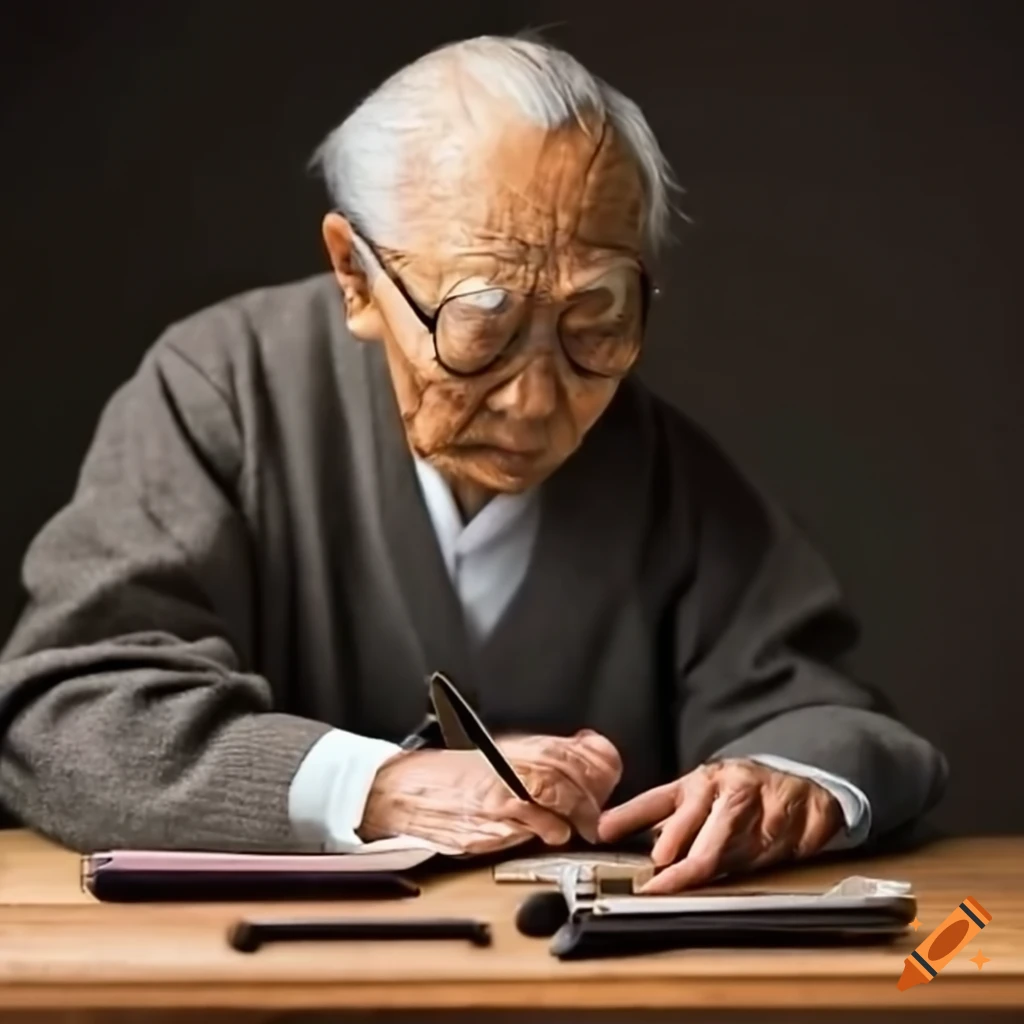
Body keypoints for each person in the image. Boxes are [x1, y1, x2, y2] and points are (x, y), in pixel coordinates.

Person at [0, 34, 945, 893]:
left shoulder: (659, 466)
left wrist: (783, 781)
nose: (536, 402)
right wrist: (378, 786)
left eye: (595, 322)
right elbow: (65, 713)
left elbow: (825, 719)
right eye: (480, 326)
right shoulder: (224, 387)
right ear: (356, 275)